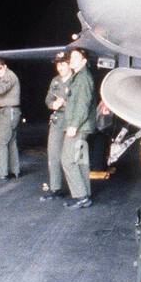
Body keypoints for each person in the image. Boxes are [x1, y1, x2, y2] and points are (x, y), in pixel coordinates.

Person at [59, 48, 96, 209]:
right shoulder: (79, 77)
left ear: (84, 61)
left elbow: (83, 105)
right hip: (82, 126)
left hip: (79, 127)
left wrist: (73, 125)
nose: (71, 59)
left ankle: (81, 197)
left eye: (76, 57)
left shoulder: (82, 78)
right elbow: (78, 101)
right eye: (71, 57)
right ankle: (85, 194)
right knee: (80, 161)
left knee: (67, 160)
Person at [40, 52, 73, 200]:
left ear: (69, 64)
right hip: (57, 120)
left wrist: (65, 104)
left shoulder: (76, 80)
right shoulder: (55, 81)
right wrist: (53, 104)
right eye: (58, 64)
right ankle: (56, 188)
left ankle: (77, 191)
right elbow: (48, 100)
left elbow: (83, 104)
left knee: (72, 157)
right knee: (53, 155)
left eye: (63, 64)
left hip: (72, 121)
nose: (60, 67)